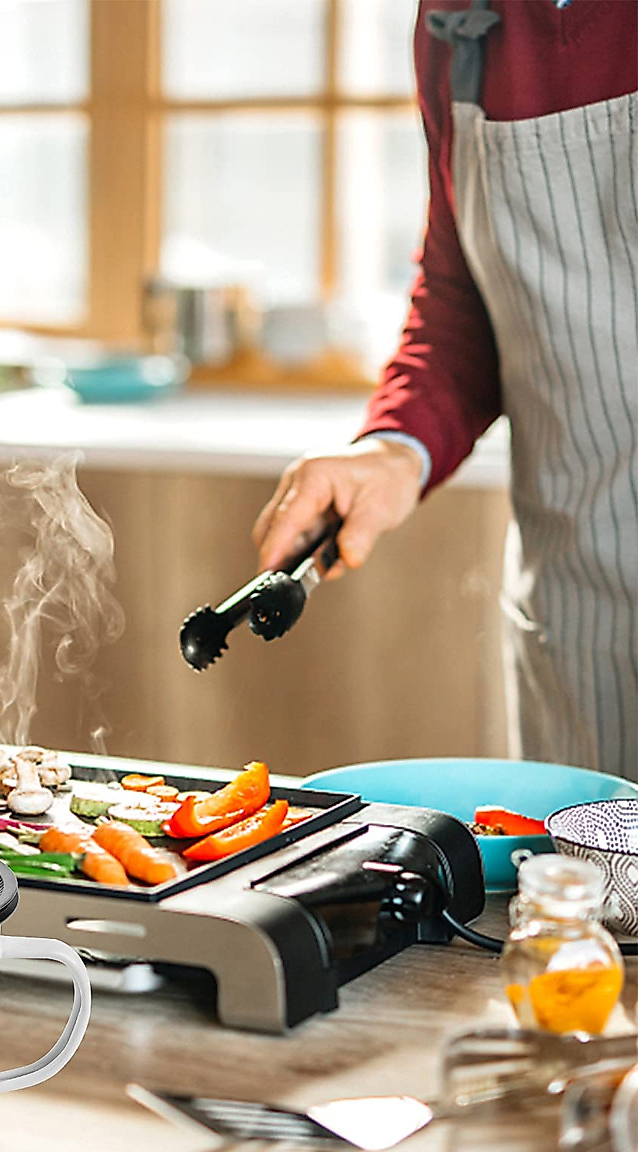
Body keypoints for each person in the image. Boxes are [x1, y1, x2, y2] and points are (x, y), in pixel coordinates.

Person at [253, 0, 638, 781]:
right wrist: (395, 448)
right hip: (580, 607)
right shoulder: (460, 20)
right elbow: (463, 293)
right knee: (577, 863)